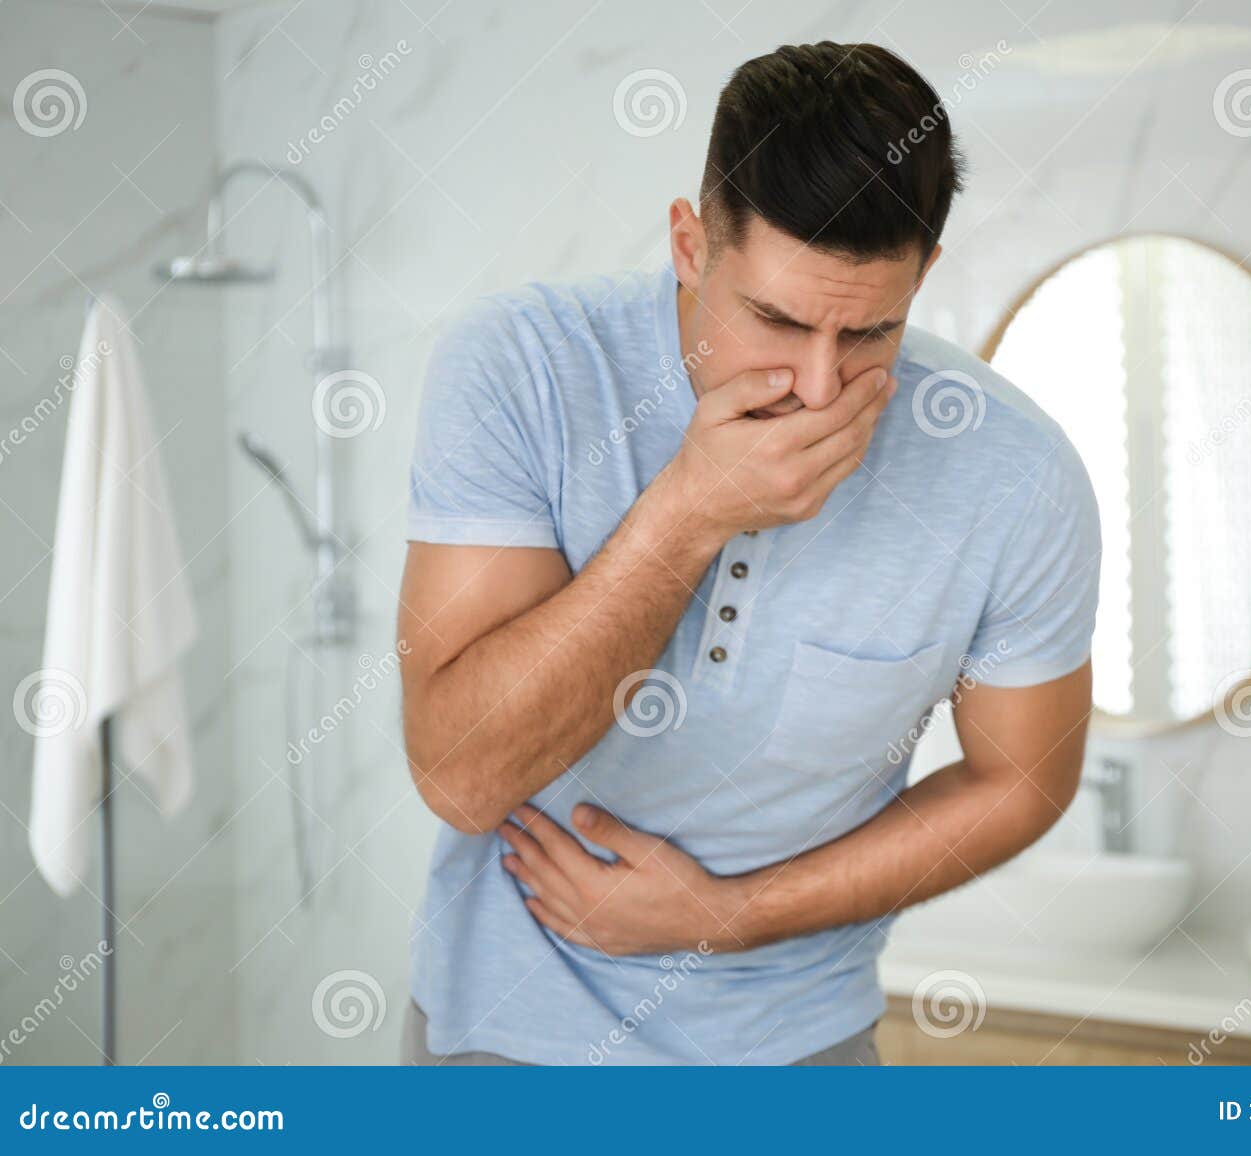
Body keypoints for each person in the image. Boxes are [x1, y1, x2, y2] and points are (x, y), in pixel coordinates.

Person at [397, 40, 1100, 1065]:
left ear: (925, 277)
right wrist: (688, 511)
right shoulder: (523, 369)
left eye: (868, 331)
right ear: (690, 245)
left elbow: (1019, 782)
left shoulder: (1014, 473)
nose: (819, 386)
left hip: (800, 1050)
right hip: (502, 1044)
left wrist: (723, 917)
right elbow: (461, 774)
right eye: (775, 318)